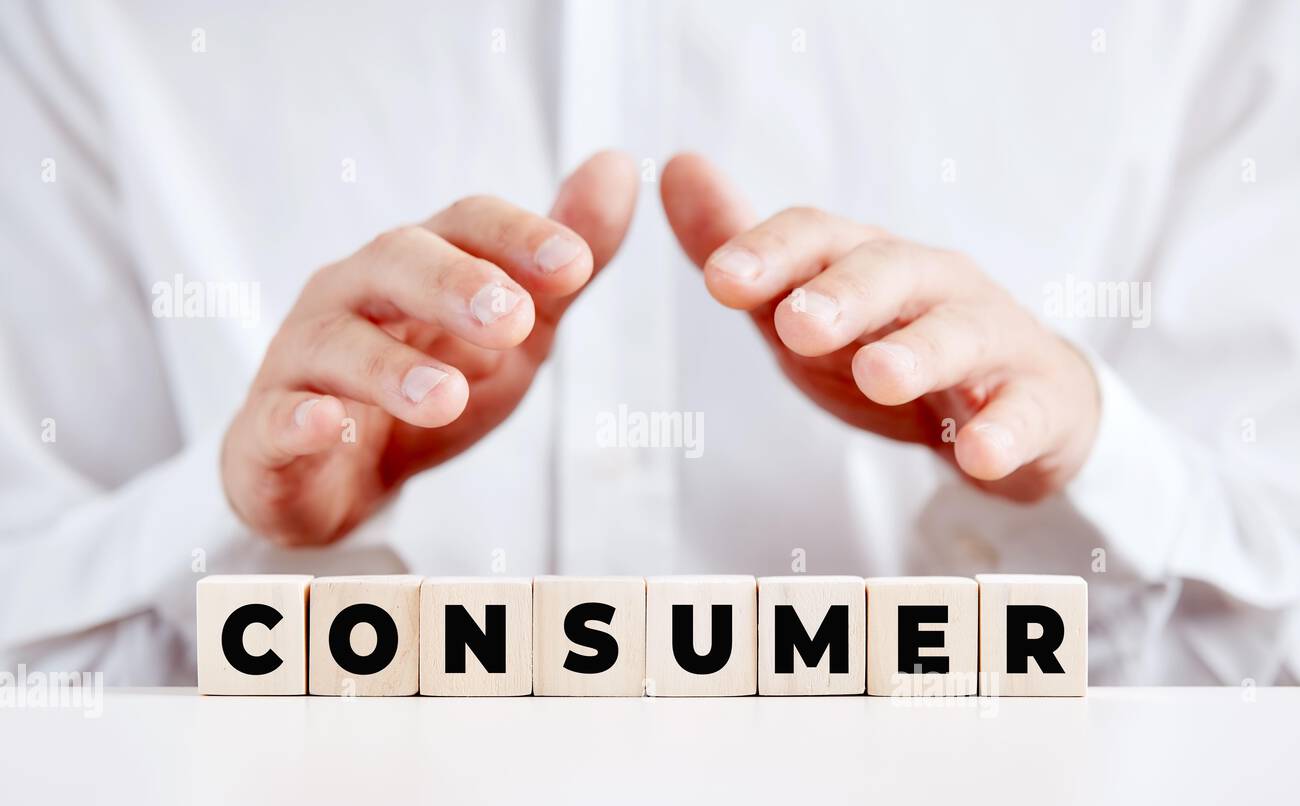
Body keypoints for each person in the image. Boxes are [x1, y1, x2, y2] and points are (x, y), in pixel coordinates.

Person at [1, 0, 1297, 685]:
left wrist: (1080, 477)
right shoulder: (84, 24)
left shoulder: (1206, 22)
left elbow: (1259, 699)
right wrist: (252, 546)